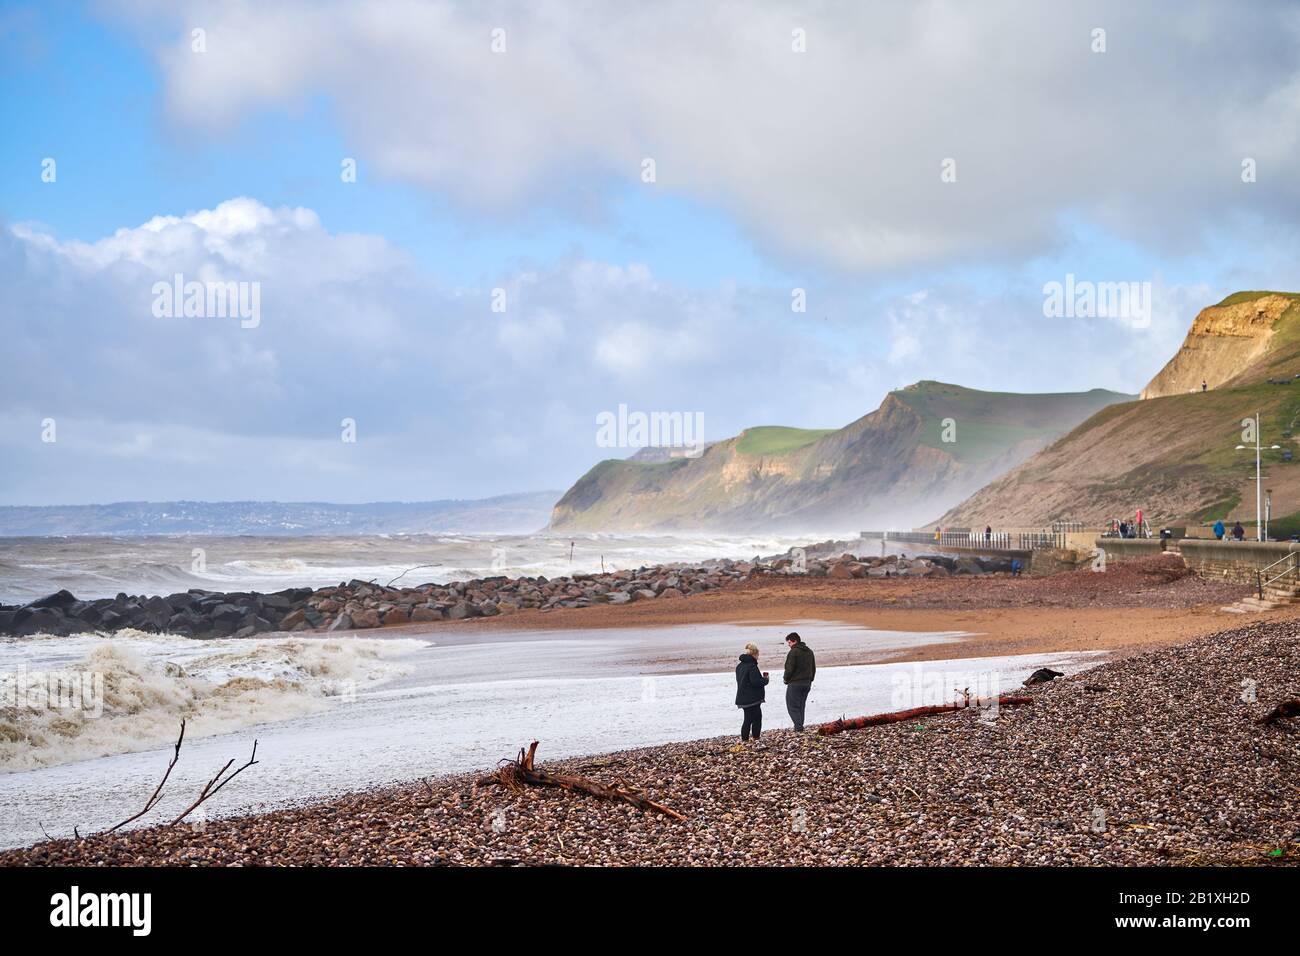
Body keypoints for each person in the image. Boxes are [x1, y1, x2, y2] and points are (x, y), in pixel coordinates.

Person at [734, 643, 769, 742]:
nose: (758, 657)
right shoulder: (752, 666)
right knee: (755, 718)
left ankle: (747, 739)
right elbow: (755, 682)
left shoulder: (739, 666)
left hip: (742, 697)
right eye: (758, 655)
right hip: (752, 698)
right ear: (755, 654)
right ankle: (754, 738)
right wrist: (765, 680)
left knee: (748, 719)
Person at [782, 631, 816, 732]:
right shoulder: (809, 651)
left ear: (794, 641)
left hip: (795, 683)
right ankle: (799, 726)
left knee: (792, 706)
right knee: (801, 705)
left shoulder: (793, 652)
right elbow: (813, 668)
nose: (789, 645)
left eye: (789, 642)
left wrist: (785, 679)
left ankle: (799, 727)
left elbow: (789, 668)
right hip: (807, 682)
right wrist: (810, 679)